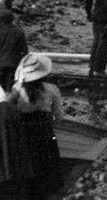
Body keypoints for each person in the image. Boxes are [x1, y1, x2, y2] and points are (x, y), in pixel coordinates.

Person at [8, 53, 64, 197]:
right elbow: (58, 116)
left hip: (24, 129)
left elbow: (6, 107)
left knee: (25, 164)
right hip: (44, 130)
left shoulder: (18, 88)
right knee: (45, 166)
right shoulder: (52, 89)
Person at [0, 10, 28, 91]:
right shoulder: (19, 32)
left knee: (0, 87)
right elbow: (24, 50)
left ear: (2, 20)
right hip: (14, 63)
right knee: (12, 87)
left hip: (0, 64)